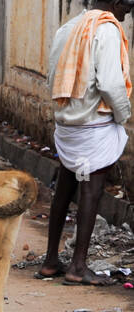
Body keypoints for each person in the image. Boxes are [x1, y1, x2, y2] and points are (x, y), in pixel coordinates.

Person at [38, 1, 134, 286]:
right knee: (91, 193)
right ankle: (78, 266)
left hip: (67, 126)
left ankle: (50, 261)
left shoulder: (68, 28)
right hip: (93, 127)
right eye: (127, 6)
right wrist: (124, 115)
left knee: (65, 189)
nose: (127, 13)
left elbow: (52, 78)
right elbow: (110, 84)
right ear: (115, 3)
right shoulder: (106, 28)